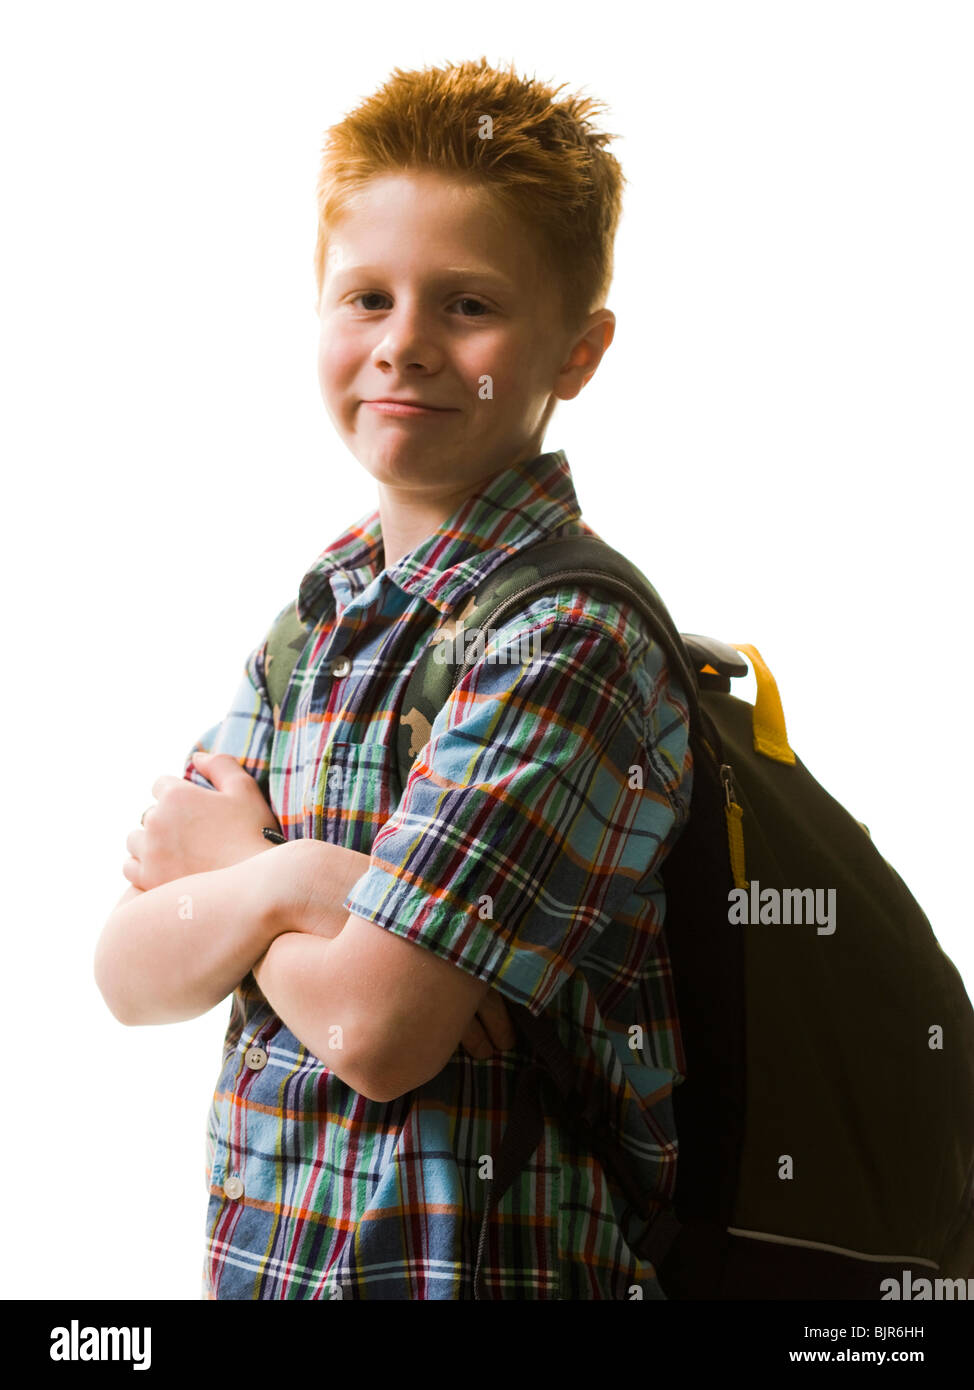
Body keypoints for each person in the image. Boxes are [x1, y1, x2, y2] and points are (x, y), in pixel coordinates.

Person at [93, 56, 694, 1300]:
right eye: (365, 297)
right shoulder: (312, 621)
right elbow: (128, 970)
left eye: (465, 305)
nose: (404, 345)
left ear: (575, 352)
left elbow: (374, 1030)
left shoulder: (564, 641)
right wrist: (308, 887)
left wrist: (247, 881)